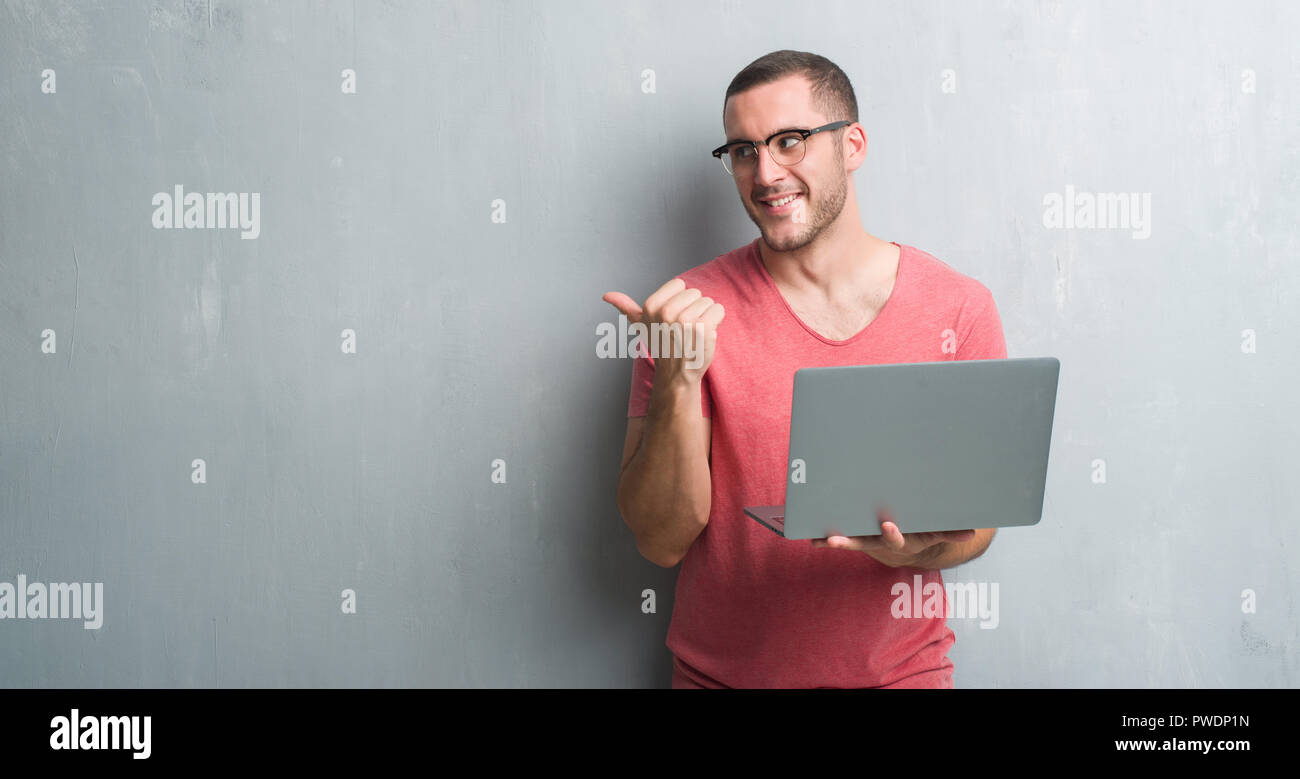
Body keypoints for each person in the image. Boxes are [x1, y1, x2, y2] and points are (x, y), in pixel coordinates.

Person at [602, 50, 1006, 688]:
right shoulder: (683, 314)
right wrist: (677, 383)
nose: (765, 173)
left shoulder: (957, 307)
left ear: (852, 145)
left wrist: (916, 551)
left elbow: (977, 528)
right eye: (742, 151)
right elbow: (661, 541)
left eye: (790, 141)